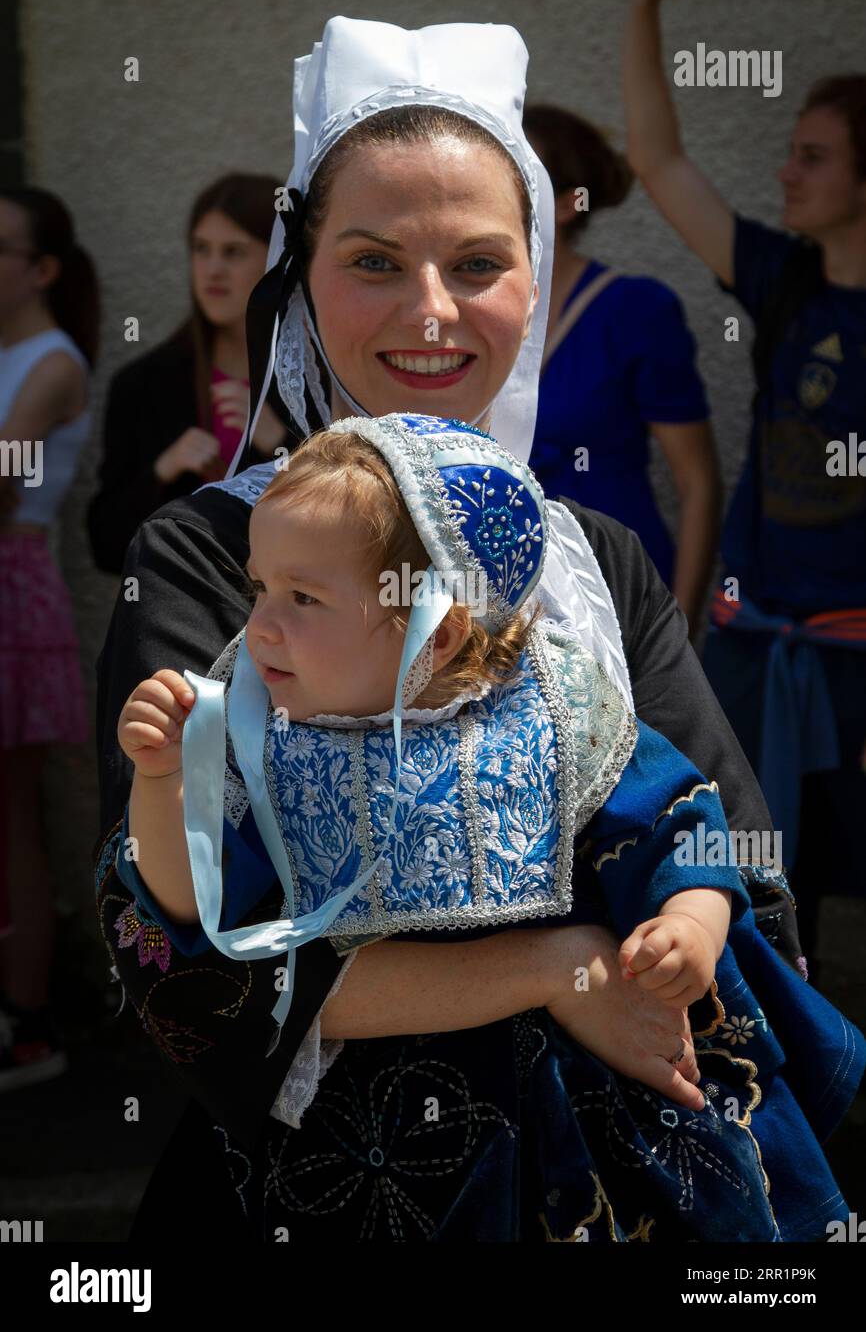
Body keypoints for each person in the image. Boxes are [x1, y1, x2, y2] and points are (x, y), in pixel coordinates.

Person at [93, 16, 831, 1241]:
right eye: (373, 260)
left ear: (536, 279)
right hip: (326, 1193)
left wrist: (680, 939)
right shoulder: (211, 554)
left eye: (479, 262)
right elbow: (180, 967)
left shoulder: (594, 559)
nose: (431, 312)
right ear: (297, 278)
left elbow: (735, 861)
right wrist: (559, 968)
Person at [111, 412, 862, 1240]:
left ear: (439, 632)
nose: (258, 625)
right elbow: (195, 915)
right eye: (260, 587)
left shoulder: (554, 708)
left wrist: (691, 919)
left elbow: (682, 821)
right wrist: (164, 780)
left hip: (585, 1115)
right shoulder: (260, 738)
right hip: (376, 1146)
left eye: (303, 597)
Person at [623, 0, 866, 982]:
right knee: (753, 891)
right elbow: (658, 163)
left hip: (856, 669)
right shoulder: (784, 280)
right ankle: (762, 1117)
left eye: (811, 154)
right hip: (751, 647)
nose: (784, 170)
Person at [523, 103, 721, 633]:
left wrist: (681, 631)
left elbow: (698, 481)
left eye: (523, 175)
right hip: (507, 596)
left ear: (567, 203)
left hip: (618, 590)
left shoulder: (635, 309)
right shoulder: (458, 314)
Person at [0, 187, 98, 1090]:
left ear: (42, 270)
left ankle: (28, 1023)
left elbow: (2, 477)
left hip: (14, 580)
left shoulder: (52, 362)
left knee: (12, 814)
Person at [86, 173, 299, 574]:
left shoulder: (316, 378)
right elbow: (106, 547)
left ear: (276, 259)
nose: (212, 269)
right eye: (201, 249)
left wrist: (281, 444)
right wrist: (162, 471)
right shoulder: (145, 383)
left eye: (234, 252)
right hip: (179, 619)